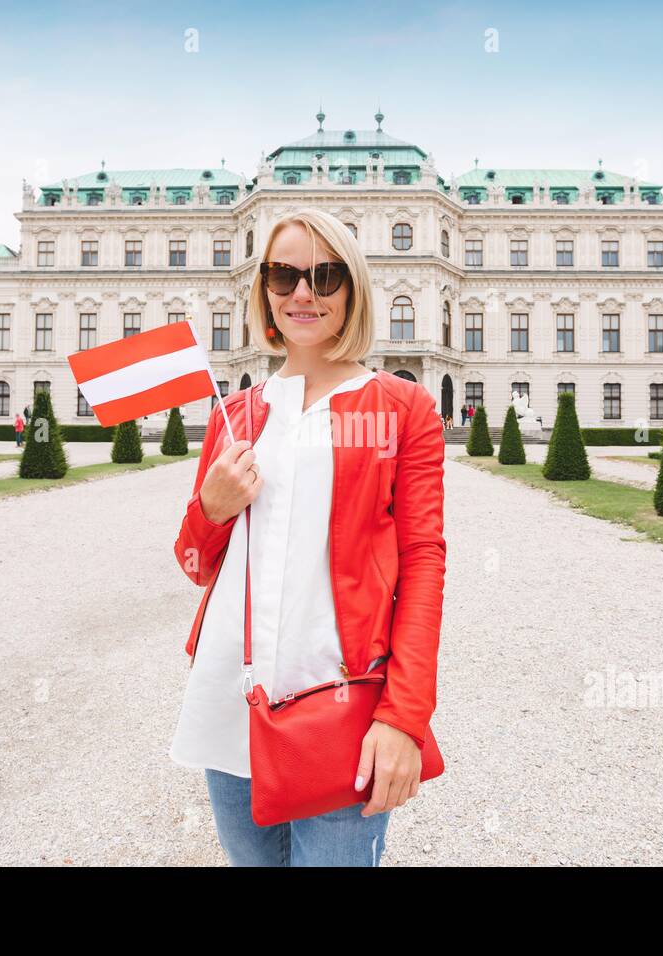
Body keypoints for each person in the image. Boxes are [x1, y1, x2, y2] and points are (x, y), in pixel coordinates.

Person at [170, 208, 445, 867]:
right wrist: (210, 507)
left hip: (341, 707)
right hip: (231, 697)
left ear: (352, 288)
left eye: (324, 276)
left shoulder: (401, 407)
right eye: (283, 274)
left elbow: (424, 562)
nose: (302, 293)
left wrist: (404, 717)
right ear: (263, 288)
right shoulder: (234, 413)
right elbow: (196, 562)